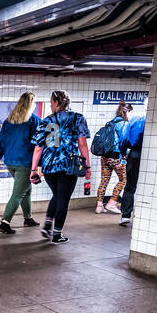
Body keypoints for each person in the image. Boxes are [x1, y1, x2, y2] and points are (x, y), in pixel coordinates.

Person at [30, 90, 91, 243]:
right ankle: (57, 234)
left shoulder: (49, 120)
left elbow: (39, 148)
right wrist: (87, 166)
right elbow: (82, 144)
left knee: (58, 195)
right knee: (63, 198)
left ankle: (48, 224)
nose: (50, 105)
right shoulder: (77, 118)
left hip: (49, 167)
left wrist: (33, 170)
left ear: (57, 103)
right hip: (68, 167)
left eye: (51, 103)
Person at [0, 92, 41, 234]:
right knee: (18, 194)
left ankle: (28, 218)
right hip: (25, 164)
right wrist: (40, 165)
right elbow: (39, 145)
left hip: (10, 163)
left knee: (26, 190)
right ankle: (4, 223)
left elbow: (0, 142)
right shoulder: (34, 121)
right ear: (32, 105)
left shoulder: (9, 121)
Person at [91, 102, 130, 215]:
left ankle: (99, 206)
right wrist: (124, 159)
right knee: (123, 180)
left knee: (104, 181)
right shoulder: (124, 124)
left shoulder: (110, 123)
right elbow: (124, 143)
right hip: (115, 157)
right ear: (127, 112)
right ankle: (112, 203)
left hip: (105, 157)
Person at [117, 108, 145, 226]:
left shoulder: (136, 117)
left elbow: (125, 138)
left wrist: (123, 153)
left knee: (130, 186)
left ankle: (125, 216)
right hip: (153, 154)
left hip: (135, 154)